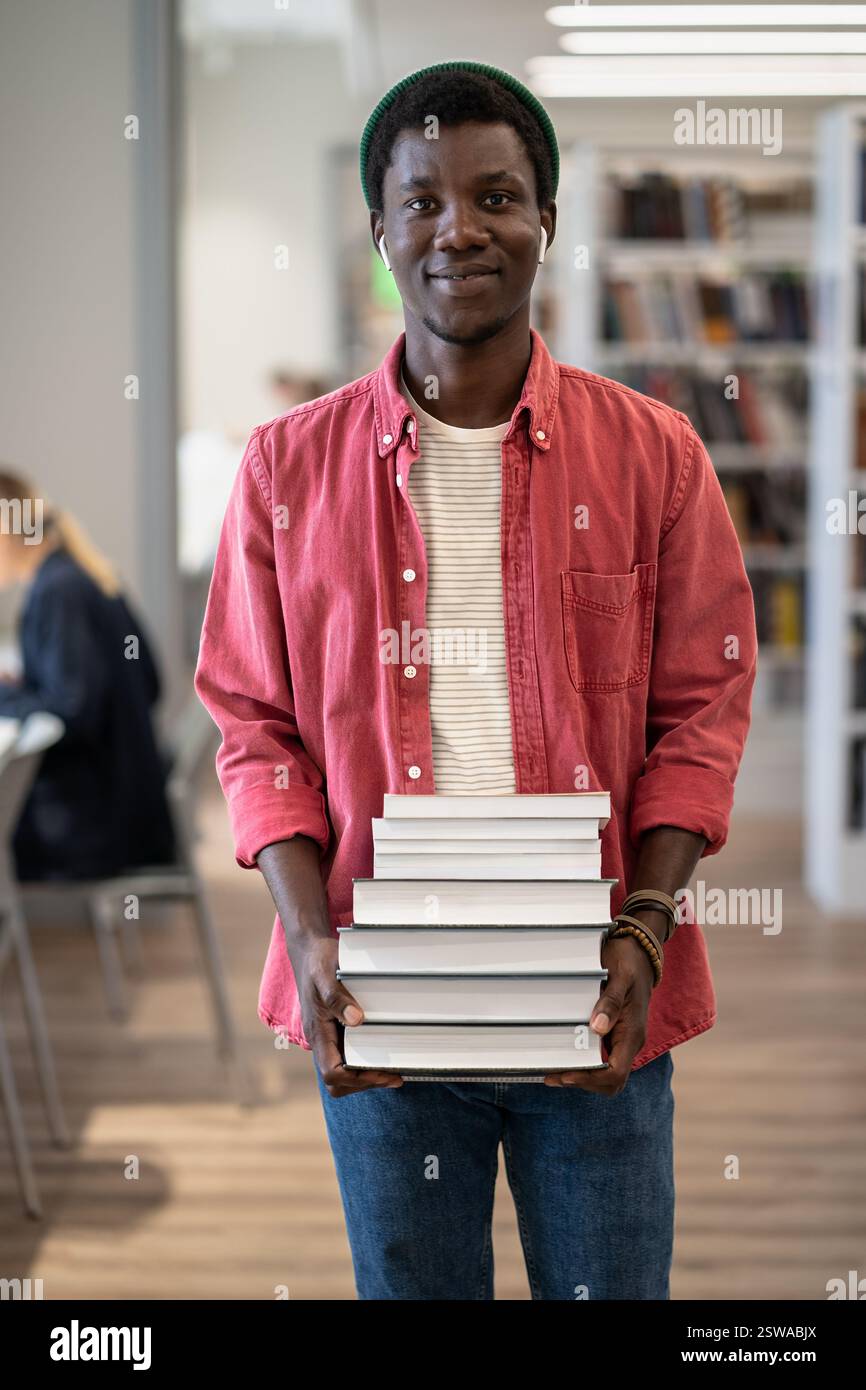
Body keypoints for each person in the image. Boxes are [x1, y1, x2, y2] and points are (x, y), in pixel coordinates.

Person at [194, 62, 758, 1300]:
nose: (460, 229)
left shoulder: (652, 455)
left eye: (496, 195)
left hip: (594, 985)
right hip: (381, 998)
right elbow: (251, 719)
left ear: (544, 219)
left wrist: (644, 929)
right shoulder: (287, 469)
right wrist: (309, 933)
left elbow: (701, 709)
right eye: (424, 201)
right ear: (382, 228)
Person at [0, 470, 175, 880]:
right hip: (131, 812)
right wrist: (26, 690)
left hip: (94, 831)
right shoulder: (83, 576)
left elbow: (72, 713)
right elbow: (148, 684)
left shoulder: (55, 593)